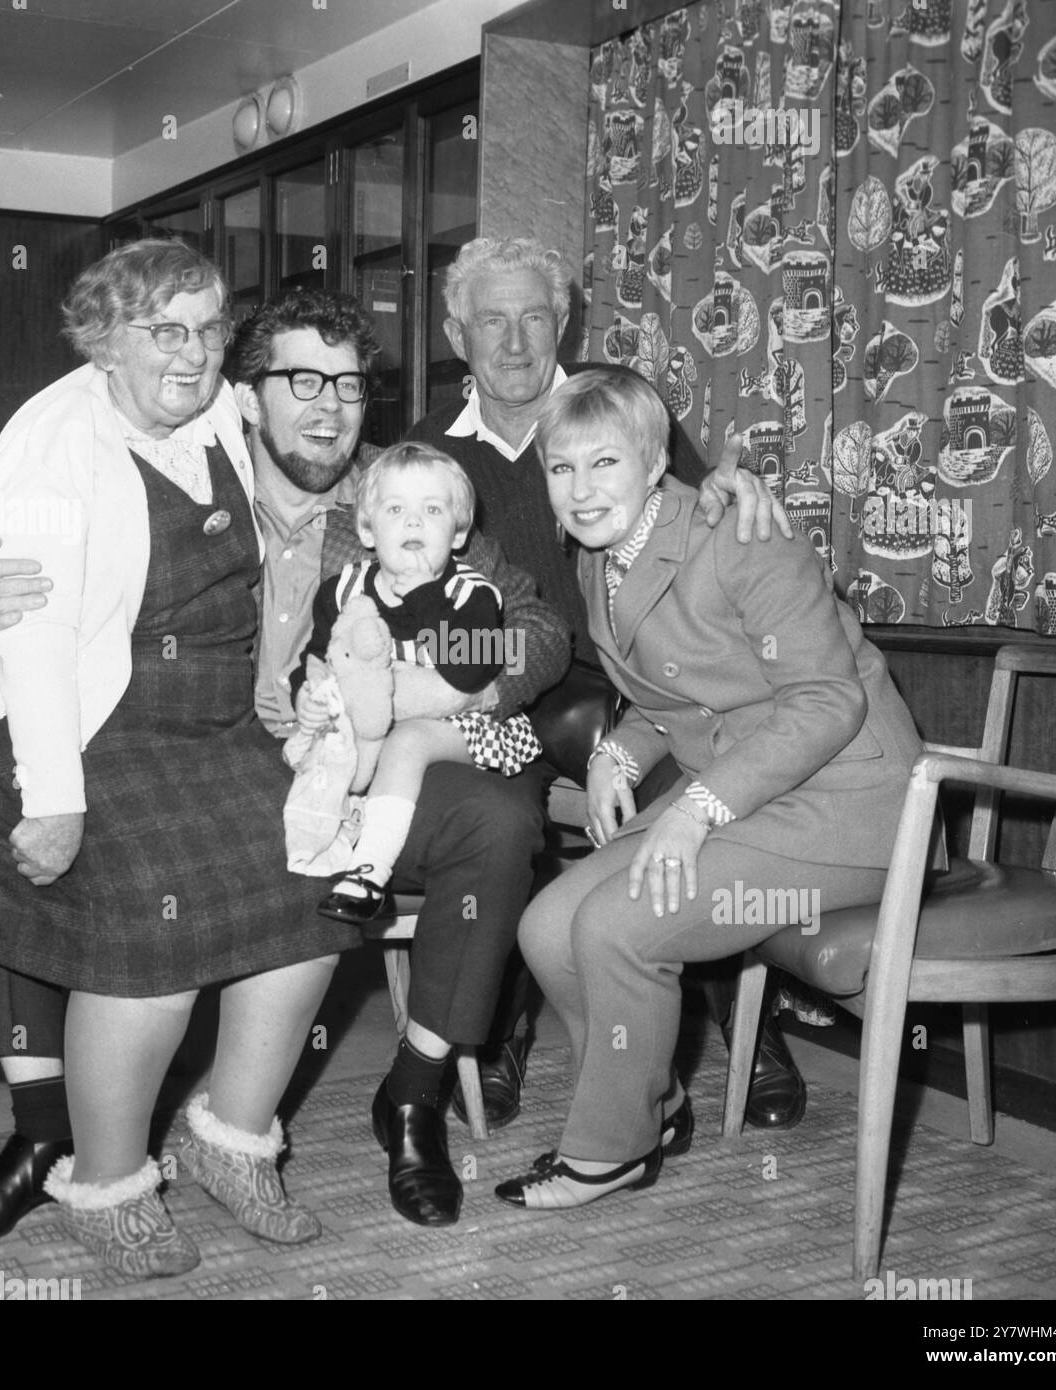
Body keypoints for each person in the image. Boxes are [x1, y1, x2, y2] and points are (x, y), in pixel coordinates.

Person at [0, 284, 570, 1233]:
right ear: (246, 392)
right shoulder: (172, 465)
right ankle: (42, 1133)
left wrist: (452, 687)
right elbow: (26, 578)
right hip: (198, 754)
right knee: (12, 801)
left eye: (349, 386)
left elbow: (536, 623)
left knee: (499, 816)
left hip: (349, 760)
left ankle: (414, 1095)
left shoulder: (397, 500)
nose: (329, 407)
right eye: (302, 380)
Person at [0, 240, 366, 1276]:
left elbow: (330, 456)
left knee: (318, 897)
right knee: (154, 951)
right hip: (88, 724)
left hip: (214, 725)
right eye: (164, 330)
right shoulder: (49, 443)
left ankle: (232, 1143)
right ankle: (109, 1181)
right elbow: (31, 636)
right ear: (103, 341)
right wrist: (56, 797)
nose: (195, 351)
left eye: (211, 327)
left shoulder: (219, 409)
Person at [494, 368, 924, 1210]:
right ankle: (647, 1105)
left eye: (604, 464)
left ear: (655, 464)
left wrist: (697, 808)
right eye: (560, 468)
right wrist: (617, 753)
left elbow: (826, 699)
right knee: (547, 925)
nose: (579, 492)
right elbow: (681, 695)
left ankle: (608, 1150)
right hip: (740, 782)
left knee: (620, 925)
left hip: (850, 800)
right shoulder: (595, 557)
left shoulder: (739, 533)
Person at [406, 235, 809, 1132]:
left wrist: (740, 494)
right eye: (490, 323)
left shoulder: (614, 407)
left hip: (650, 686)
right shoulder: (428, 451)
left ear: (565, 322)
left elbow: (703, 513)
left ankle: (747, 1024)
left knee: (690, 796)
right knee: (493, 809)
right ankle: (502, 1026)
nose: (514, 343)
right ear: (453, 334)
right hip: (521, 687)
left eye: (535, 318)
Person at [289, 443, 541, 922]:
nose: (413, 523)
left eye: (432, 510)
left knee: (405, 741)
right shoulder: (342, 590)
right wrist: (308, 693)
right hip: (374, 729)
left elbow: (471, 671)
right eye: (395, 509)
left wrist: (426, 596)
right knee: (333, 754)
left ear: (460, 530)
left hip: (472, 726)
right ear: (366, 528)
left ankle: (369, 872)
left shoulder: (472, 595)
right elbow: (321, 657)